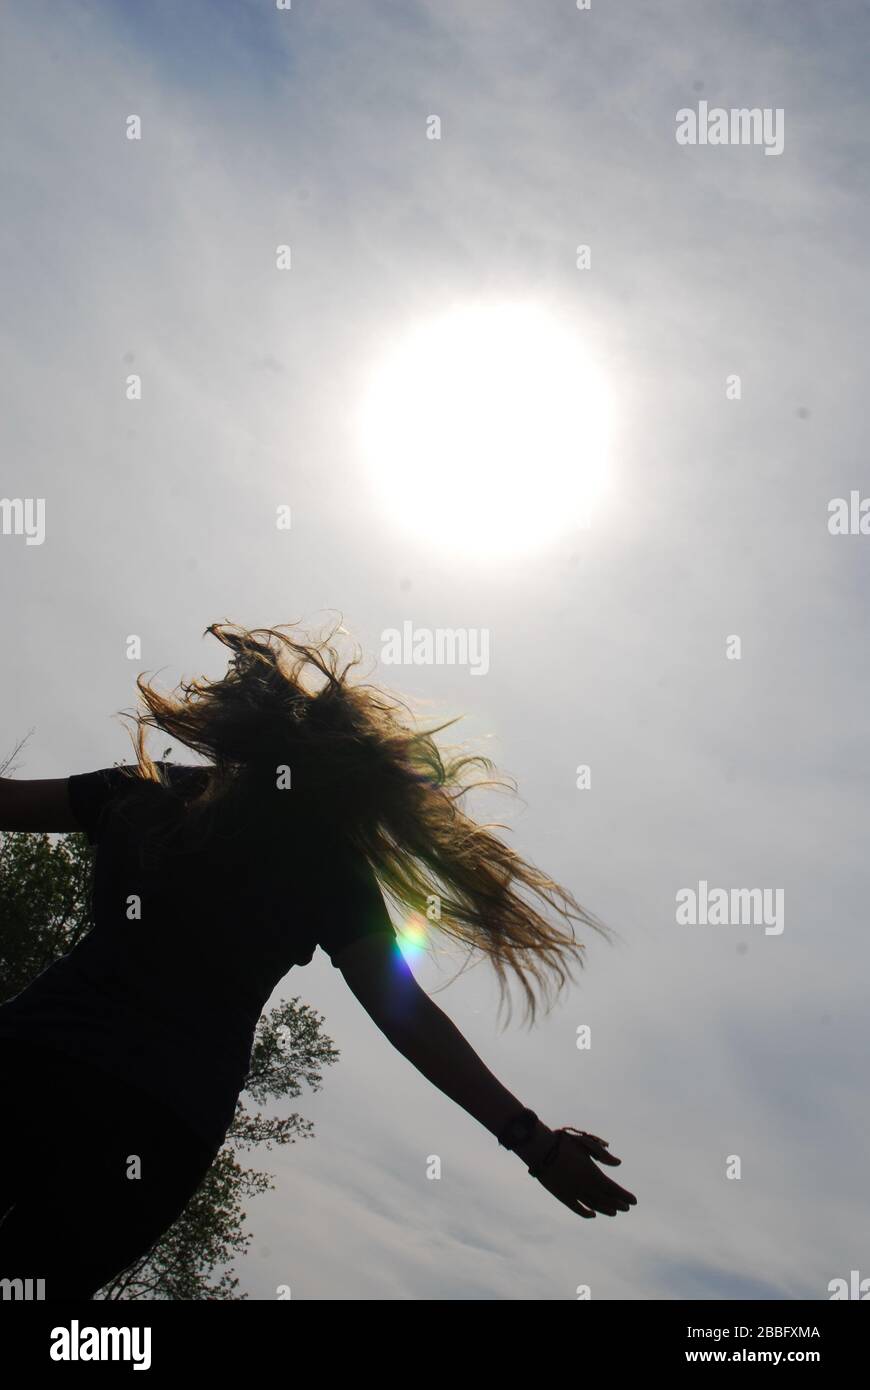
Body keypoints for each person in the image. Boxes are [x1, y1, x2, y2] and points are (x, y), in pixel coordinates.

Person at [0, 619, 636, 1298]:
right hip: (159, 1123)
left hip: (40, 1059)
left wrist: (532, 1141)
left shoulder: (142, 796)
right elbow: (407, 1017)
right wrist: (531, 1142)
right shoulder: (330, 868)